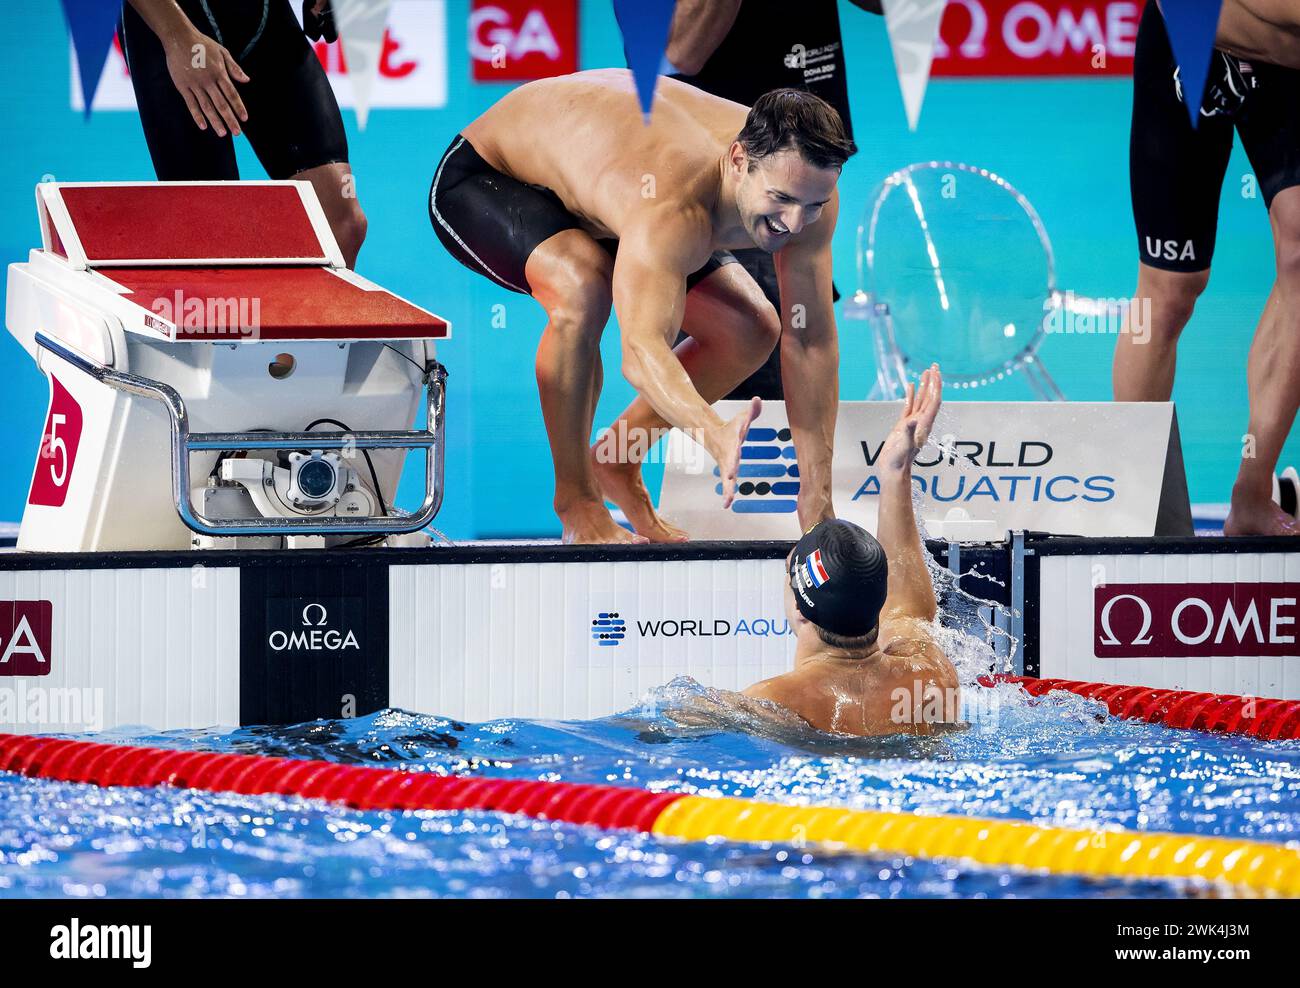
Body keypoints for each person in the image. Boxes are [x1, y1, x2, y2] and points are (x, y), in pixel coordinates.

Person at [430, 70, 855, 544]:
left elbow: (811, 340)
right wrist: (711, 432)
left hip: (606, 193)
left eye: (812, 206)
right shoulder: (673, 206)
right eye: (781, 200)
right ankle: (578, 503)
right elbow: (641, 349)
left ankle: (618, 456)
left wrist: (817, 502)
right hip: (490, 175)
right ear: (739, 160)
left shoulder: (808, 187)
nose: (796, 223)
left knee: (751, 327)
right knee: (584, 285)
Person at [1112, 0, 1300, 535]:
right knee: (1169, 290)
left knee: (1299, 249)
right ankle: (1137, 506)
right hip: (1185, 36)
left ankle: (1252, 491)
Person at [663, 0, 878, 400]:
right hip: (726, 194)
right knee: (742, 411)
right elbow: (681, 51)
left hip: (813, 168)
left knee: (803, 356)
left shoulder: (810, 208)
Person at [744, 365, 959, 737]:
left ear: (799, 609)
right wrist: (895, 471)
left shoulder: (770, 704)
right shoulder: (932, 678)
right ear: (879, 600)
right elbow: (910, 612)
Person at [119, 0, 367, 267]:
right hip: (175, 24)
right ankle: (223, 306)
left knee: (341, 224)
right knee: (212, 244)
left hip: (266, 20)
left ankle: (286, 309)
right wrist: (177, 37)